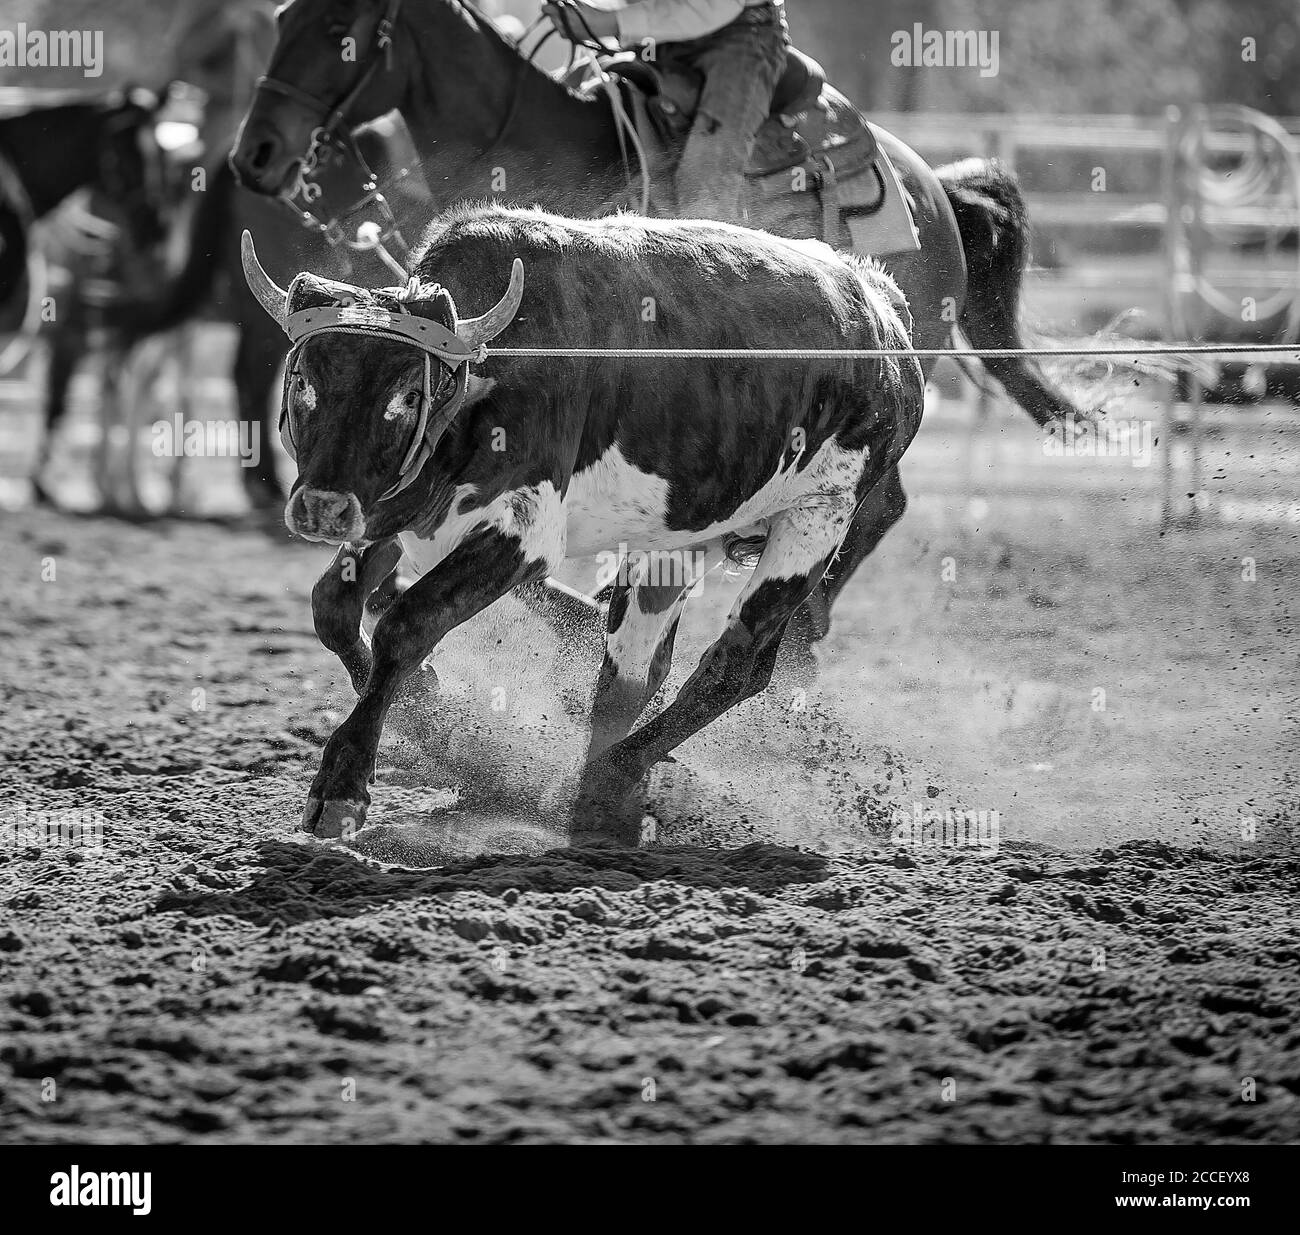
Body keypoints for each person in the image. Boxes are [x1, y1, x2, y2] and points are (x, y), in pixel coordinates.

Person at [543, 1, 790, 223]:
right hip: (655, 41)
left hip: (739, 39)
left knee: (703, 189)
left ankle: (709, 262)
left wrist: (606, 22)